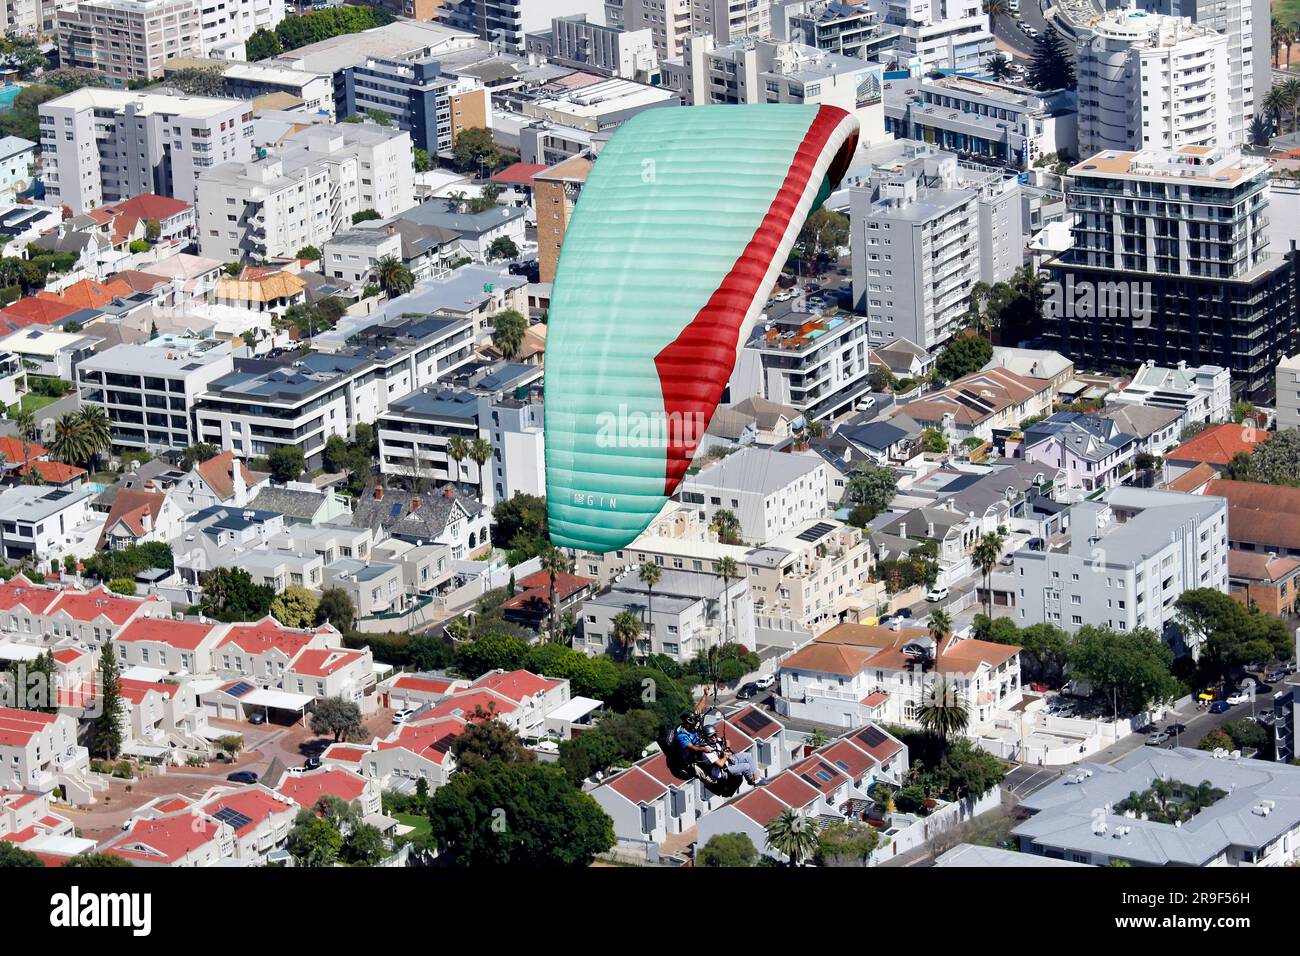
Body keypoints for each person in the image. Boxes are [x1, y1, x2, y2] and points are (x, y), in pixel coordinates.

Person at [697, 722, 766, 786]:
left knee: (747, 756)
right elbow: (720, 764)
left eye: (715, 735)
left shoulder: (715, 741)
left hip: (726, 761)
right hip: (721, 771)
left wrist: (727, 748)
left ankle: (756, 777)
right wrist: (725, 756)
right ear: (706, 737)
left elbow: (727, 741)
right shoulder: (707, 750)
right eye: (711, 736)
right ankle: (752, 780)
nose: (714, 737)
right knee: (746, 766)